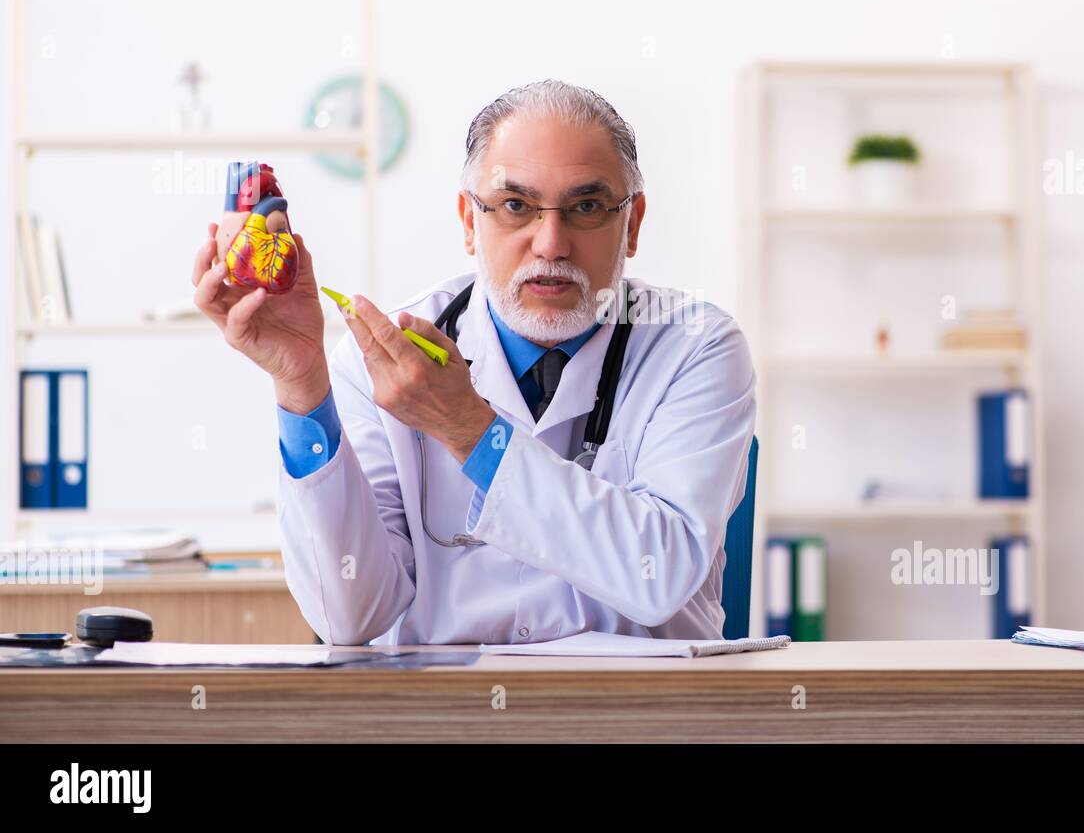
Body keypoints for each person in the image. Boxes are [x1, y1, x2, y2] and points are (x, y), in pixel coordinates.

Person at [192, 79, 756, 645]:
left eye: (586, 206)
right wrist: (302, 383)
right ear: (468, 220)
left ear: (631, 224)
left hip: (633, 718)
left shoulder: (696, 347)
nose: (551, 244)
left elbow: (659, 575)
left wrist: (466, 428)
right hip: (445, 720)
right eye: (516, 206)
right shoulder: (377, 360)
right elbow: (350, 618)